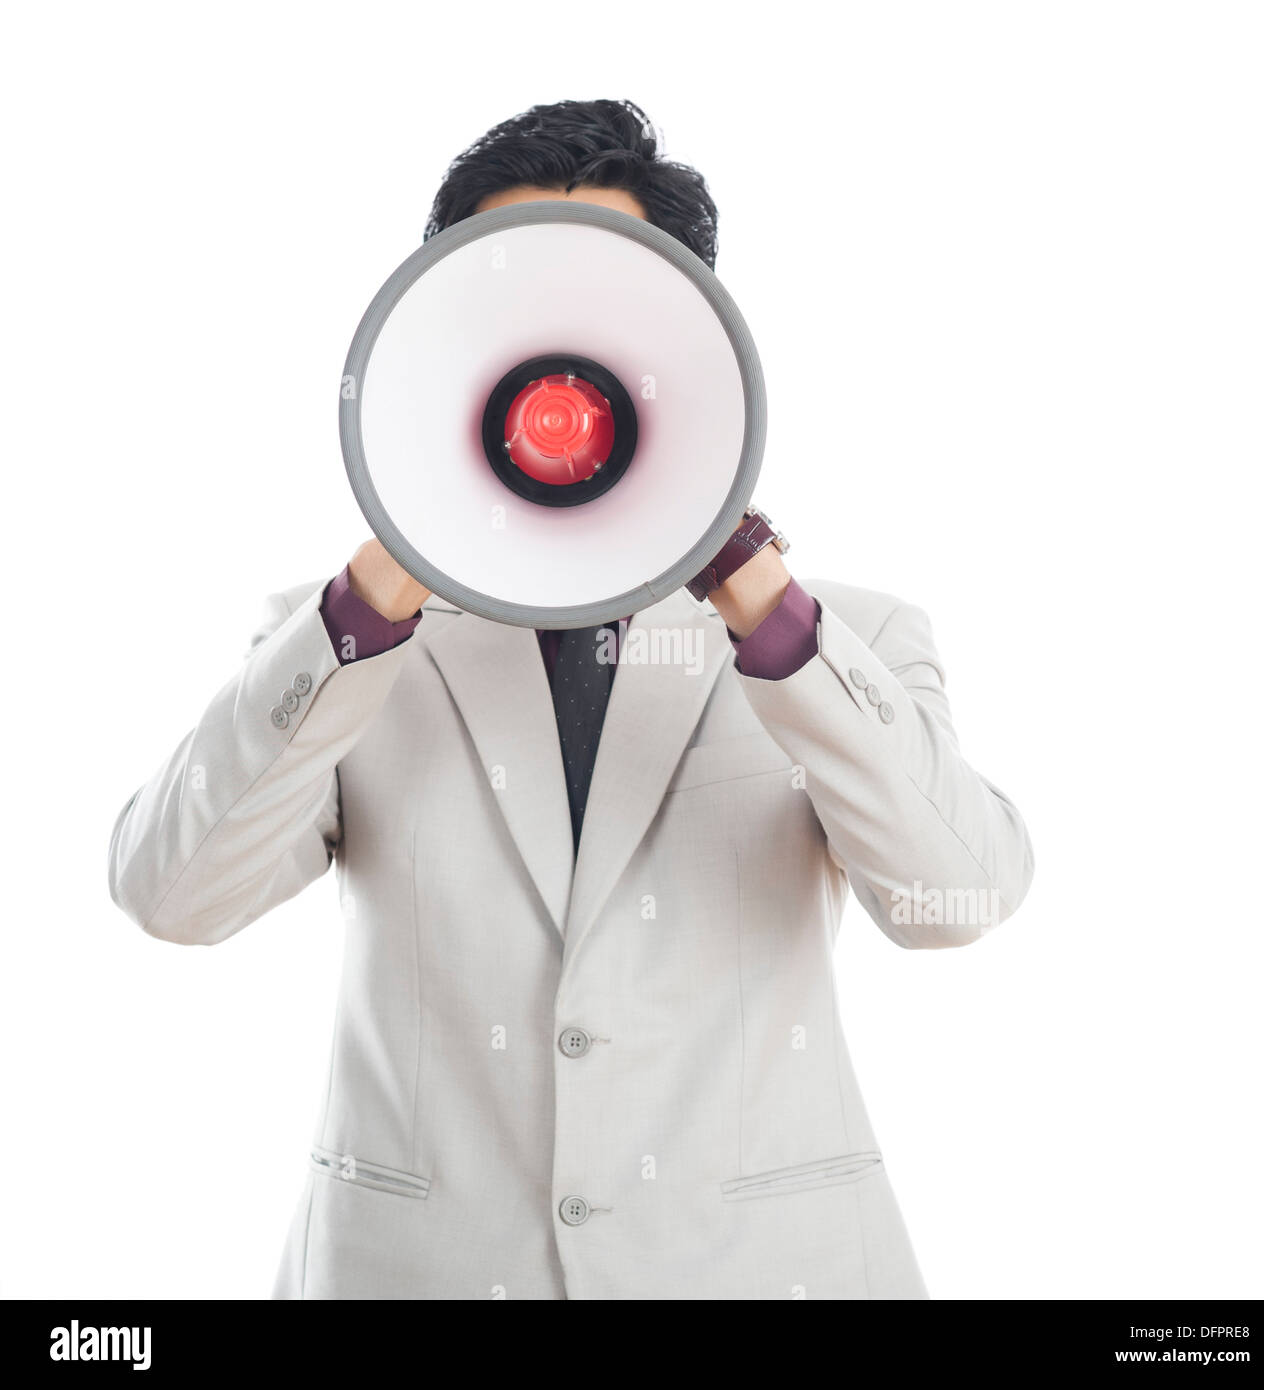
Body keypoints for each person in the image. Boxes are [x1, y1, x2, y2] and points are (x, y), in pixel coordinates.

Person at [108, 98, 1034, 1300]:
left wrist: (760, 599)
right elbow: (173, 894)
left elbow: (954, 899)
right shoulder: (339, 639)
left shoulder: (853, 636)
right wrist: (377, 587)